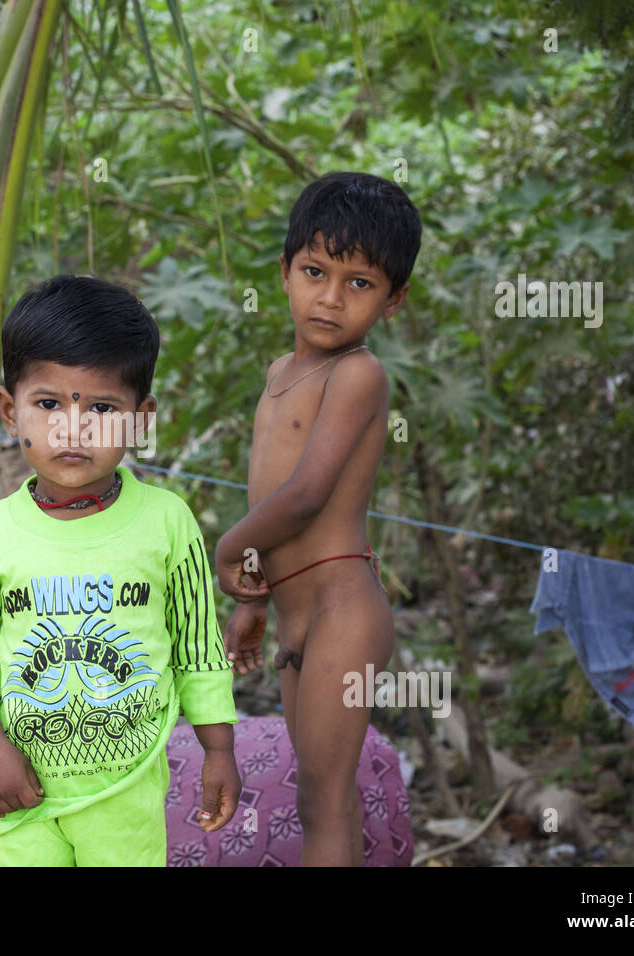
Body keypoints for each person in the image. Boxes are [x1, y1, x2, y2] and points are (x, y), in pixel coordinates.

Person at [0, 275, 240, 866]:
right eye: (48, 404)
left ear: (140, 417)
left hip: (124, 796)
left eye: (101, 407)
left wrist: (219, 750)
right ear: (9, 409)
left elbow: (199, 648)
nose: (73, 429)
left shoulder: (167, 523)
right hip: (19, 794)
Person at [214, 172, 422, 866]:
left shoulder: (359, 376)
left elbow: (305, 495)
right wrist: (253, 597)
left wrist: (226, 547)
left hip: (342, 611)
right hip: (298, 615)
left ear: (394, 300)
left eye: (360, 283)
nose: (331, 297)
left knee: (327, 800)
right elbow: (269, 501)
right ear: (284, 273)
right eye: (315, 271)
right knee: (315, 795)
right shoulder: (280, 373)